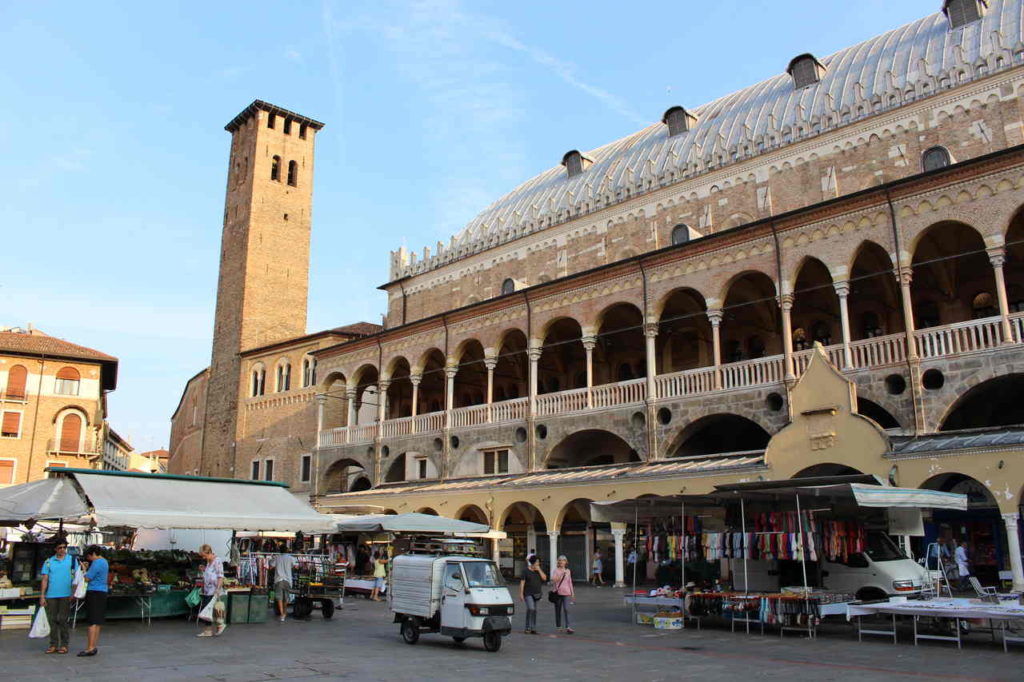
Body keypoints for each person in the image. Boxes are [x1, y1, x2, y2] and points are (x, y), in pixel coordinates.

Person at [39, 539, 78, 654]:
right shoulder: (49, 562)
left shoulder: (72, 560)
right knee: (52, 620)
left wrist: (73, 592)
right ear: (55, 549)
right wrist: (42, 595)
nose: (62, 550)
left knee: (62, 620)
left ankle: (64, 644)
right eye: (60, 548)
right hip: (51, 595)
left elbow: (77, 577)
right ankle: (53, 644)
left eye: (64, 547)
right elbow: (45, 579)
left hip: (66, 594)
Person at [78, 546, 108, 657]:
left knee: (91, 621)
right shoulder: (105, 562)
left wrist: (84, 569)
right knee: (98, 621)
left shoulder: (96, 563)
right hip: (102, 592)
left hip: (94, 592)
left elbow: (87, 578)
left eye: (89, 556)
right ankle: (94, 645)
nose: (89, 558)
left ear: (93, 553)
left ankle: (90, 647)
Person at [197, 544, 225, 637]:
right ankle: (211, 629)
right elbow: (210, 573)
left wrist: (217, 589)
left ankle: (217, 626)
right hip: (208, 589)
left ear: (208, 553)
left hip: (213, 590)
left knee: (208, 610)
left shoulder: (217, 561)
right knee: (208, 610)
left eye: (204, 555)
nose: (203, 557)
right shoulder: (209, 562)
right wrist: (204, 569)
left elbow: (220, 576)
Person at [519, 555, 546, 634]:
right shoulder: (525, 571)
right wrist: (521, 593)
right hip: (528, 593)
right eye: (536, 562)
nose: (538, 564)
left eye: (538, 562)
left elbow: (544, 578)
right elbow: (522, 582)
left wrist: (539, 570)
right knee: (531, 608)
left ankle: (532, 628)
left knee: (534, 610)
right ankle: (528, 627)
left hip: (537, 593)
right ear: (532, 563)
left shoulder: (539, 570)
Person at [551, 555, 575, 634]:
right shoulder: (556, 570)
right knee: (558, 610)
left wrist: (572, 593)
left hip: (566, 592)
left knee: (566, 609)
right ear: (558, 562)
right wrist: (561, 575)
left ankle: (568, 626)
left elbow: (570, 582)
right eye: (560, 560)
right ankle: (558, 626)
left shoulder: (568, 571)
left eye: (563, 560)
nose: (561, 562)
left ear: (566, 562)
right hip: (558, 593)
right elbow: (554, 580)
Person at [273, 544, 296, 622]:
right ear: (287, 550)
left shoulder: (276, 558)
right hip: (287, 580)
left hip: (278, 579)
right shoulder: (291, 558)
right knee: (286, 597)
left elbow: (271, 565)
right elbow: (296, 566)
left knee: (279, 598)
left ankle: (282, 614)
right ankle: (285, 612)